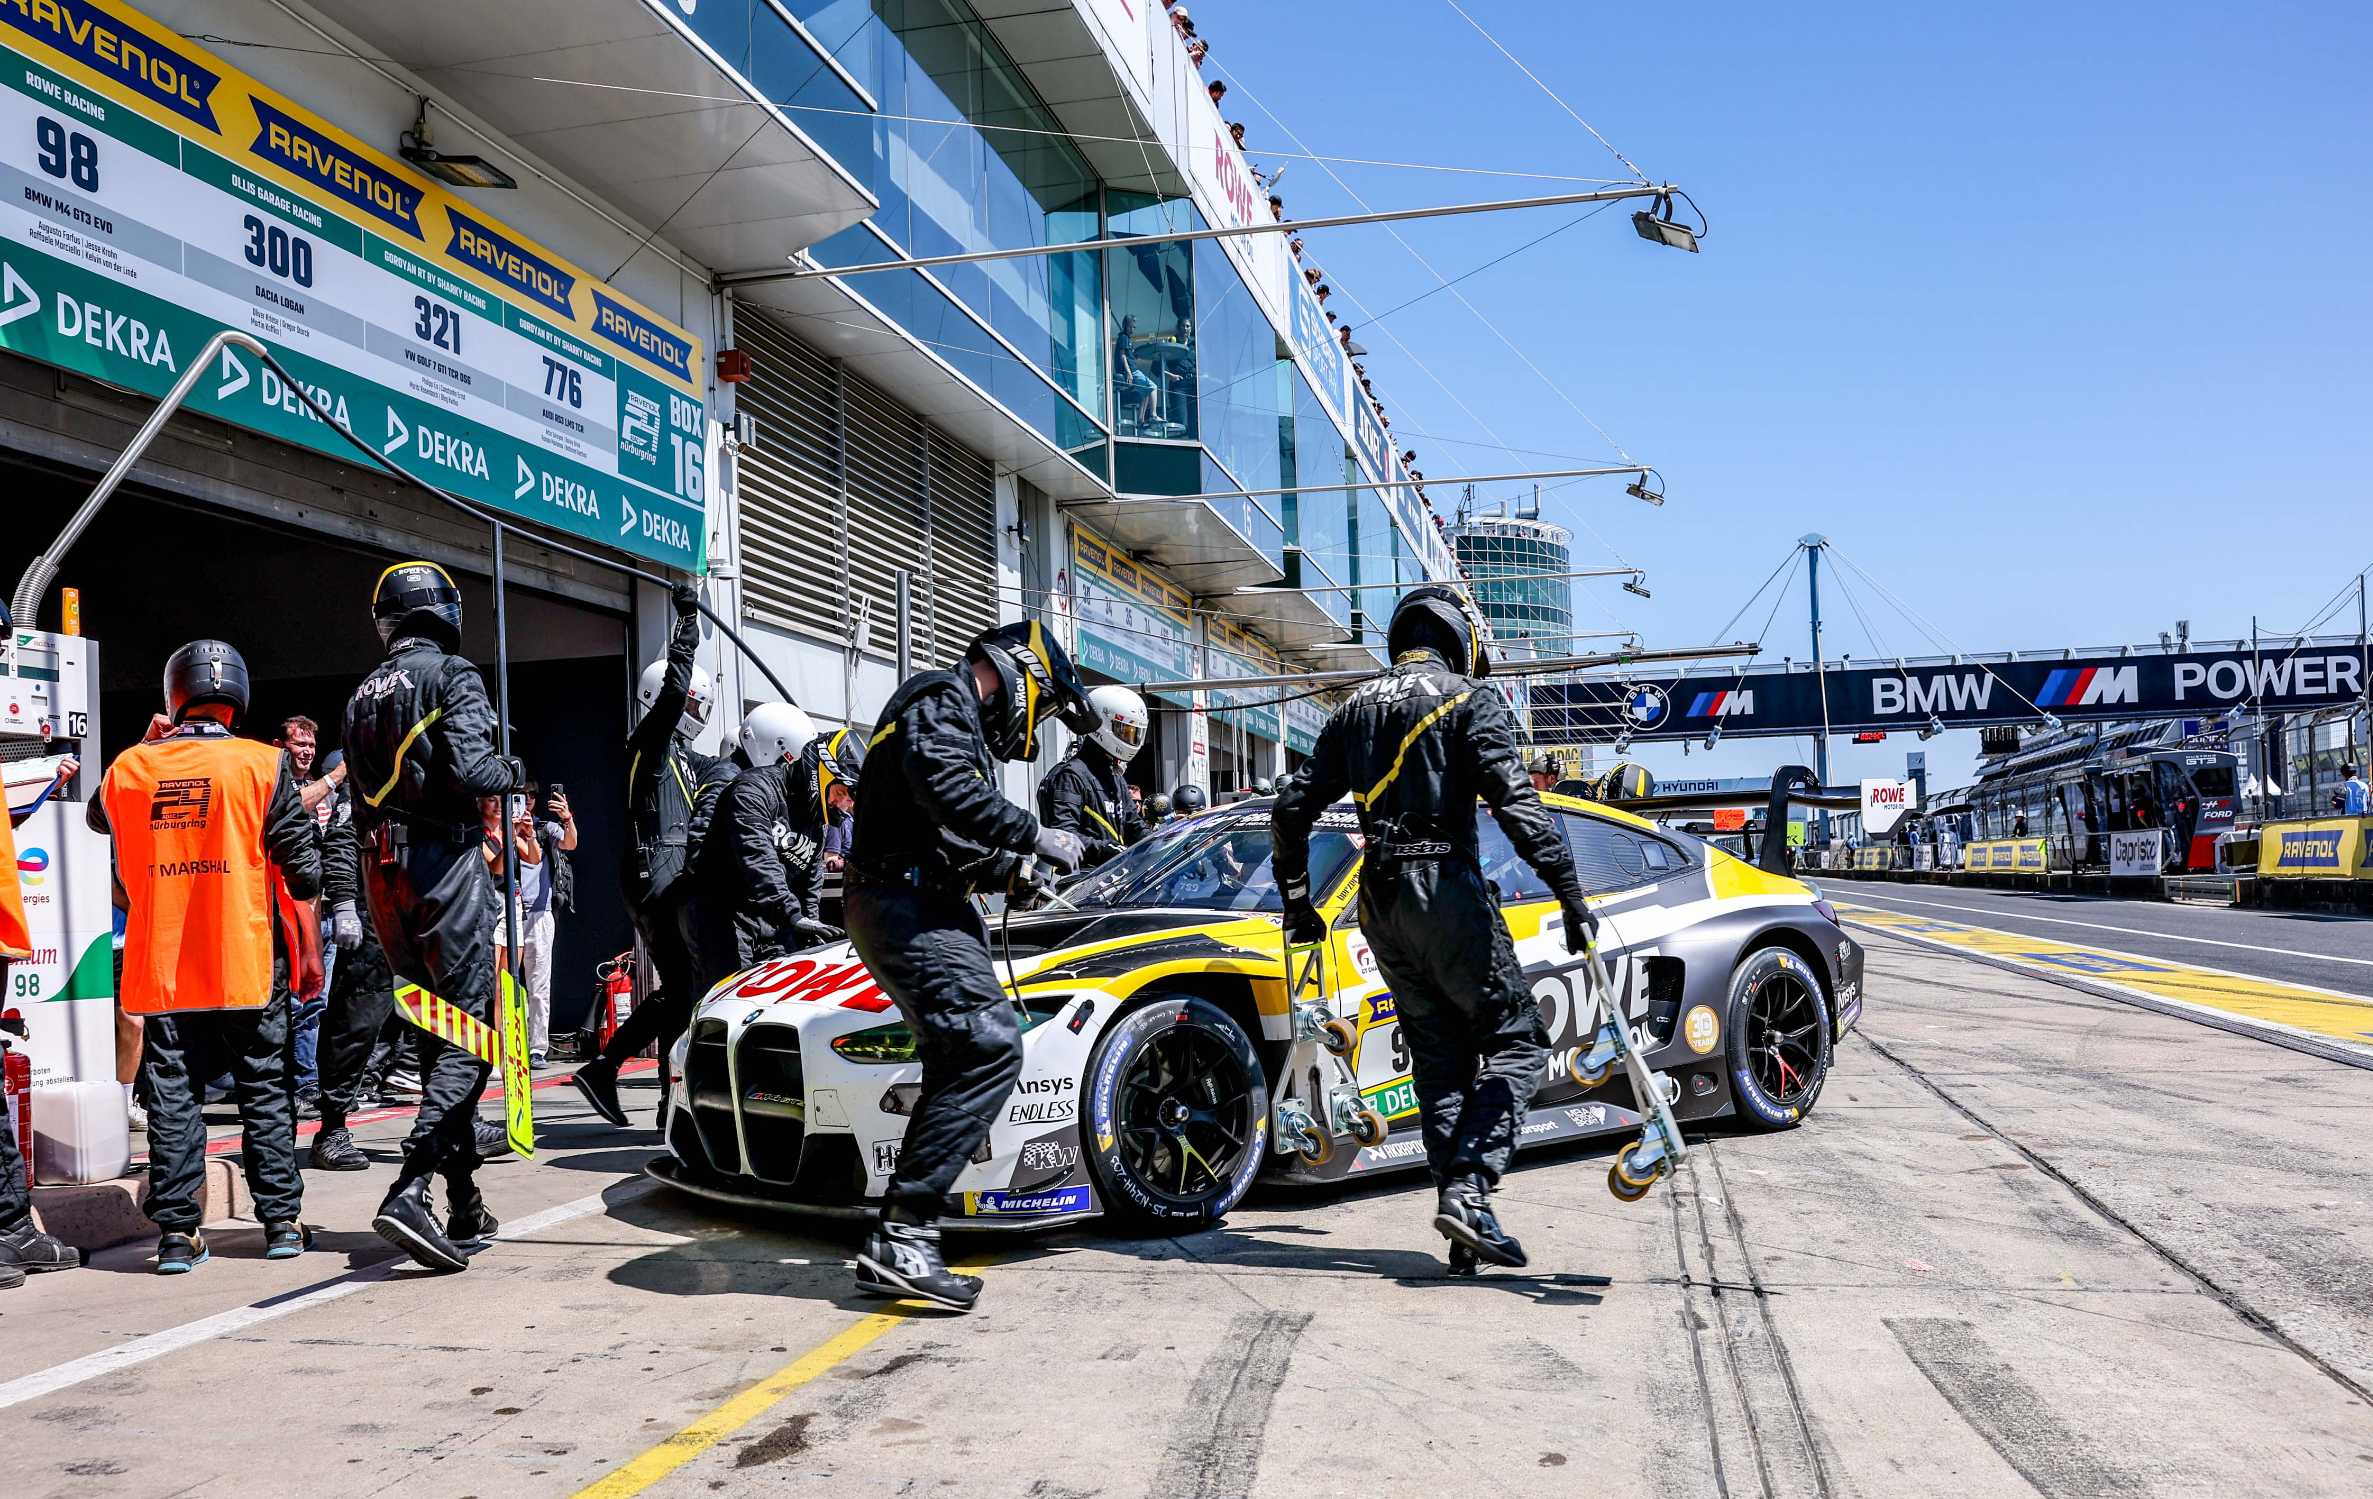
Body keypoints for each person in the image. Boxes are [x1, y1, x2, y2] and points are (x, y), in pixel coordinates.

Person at [1271, 586, 1596, 1275]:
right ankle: (1471, 1190)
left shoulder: (1352, 707)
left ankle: (1461, 1231)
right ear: (1459, 639)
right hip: (1444, 888)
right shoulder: (1468, 698)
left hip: (1379, 901)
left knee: (1441, 1065)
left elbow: (1290, 809)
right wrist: (1570, 894)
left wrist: (1298, 903)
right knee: (1517, 1044)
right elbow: (1518, 805)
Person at [844, 619, 1096, 1310]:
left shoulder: (942, 717)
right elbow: (947, 790)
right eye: (1045, 705)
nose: (1035, 725)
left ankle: (899, 1239)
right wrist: (1035, 834)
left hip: (911, 899)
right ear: (1022, 674)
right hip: (906, 904)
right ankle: (904, 1234)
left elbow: (940, 829)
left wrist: (1010, 869)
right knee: (987, 1046)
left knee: (961, 1057)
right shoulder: (939, 697)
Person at [93, 640, 323, 1274]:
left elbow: (96, 817)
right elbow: (304, 870)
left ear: (175, 695)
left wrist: (146, 747)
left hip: (162, 966)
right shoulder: (263, 764)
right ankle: (280, 1224)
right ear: (237, 697)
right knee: (264, 1090)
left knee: (173, 1096)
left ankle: (176, 1234)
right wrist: (307, 934)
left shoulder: (129, 769)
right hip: (244, 959)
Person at [343, 561, 521, 1273]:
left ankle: (464, 1200)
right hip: (443, 863)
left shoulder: (360, 693)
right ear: (442, 610)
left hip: (381, 876)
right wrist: (515, 768)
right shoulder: (453, 674)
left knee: (435, 1033)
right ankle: (411, 1186)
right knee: (472, 1034)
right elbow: (475, 771)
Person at [573, 585, 733, 1127]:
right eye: (693, 704)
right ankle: (622, 1075)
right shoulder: (650, 743)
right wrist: (687, 629)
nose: (697, 712)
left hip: (666, 879)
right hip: (654, 879)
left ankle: (644, 1088)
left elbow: (729, 774)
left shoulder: (686, 758)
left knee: (683, 991)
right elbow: (674, 692)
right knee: (685, 989)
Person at [696, 703, 852, 988]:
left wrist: (811, 929)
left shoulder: (815, 821)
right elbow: (759, 859)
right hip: (725, 915)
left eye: (848, 800)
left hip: (772, 920)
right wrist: (793, 915)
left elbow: (810, 882)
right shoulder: (752, 789)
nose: (841, 804)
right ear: (821, 773)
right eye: (841, 792)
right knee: (730, 998)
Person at [308, 748, 401, 1173]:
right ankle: (332, 1128)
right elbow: (343, 839)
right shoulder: (369, 776)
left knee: (445, 1023)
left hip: (428, 914)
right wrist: (345, 901)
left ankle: (458, 1120)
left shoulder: (442, 773)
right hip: (374, 911)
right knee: (355, 1022)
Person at [277, 715, 344, 1113]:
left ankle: (309, 1082)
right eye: (299, 744)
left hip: (328, 910)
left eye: (311, 746)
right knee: (295, 1003)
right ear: (280, 746)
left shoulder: (324, 790)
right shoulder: (276, 785)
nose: (306, 752)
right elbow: (293, 808)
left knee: (317, 1004)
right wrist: (336, 777)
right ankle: (296, 1085)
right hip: (291, 912)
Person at [1037, 685, 1148, 868]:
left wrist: (1164, 841)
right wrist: (1106, 849)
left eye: (1134, 733)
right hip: (1078, 877)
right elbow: (1063, 834)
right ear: (1104, 725)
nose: (1131, 739)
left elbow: (1134, 826)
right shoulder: (1070, 776)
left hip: (1111, 874)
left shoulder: (1116, 777)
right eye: (1126, 731)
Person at [519, 783, 577, 1066]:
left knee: (539, 984)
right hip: (506, 911)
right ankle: (506, 1044)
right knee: (501, 984)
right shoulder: (499, 827)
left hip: (540, 913)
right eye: (520, 796)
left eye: (531, 796)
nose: (527, 801)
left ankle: (537, 1048)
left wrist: (567, 817)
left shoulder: (544, 828)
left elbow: (570, 843)